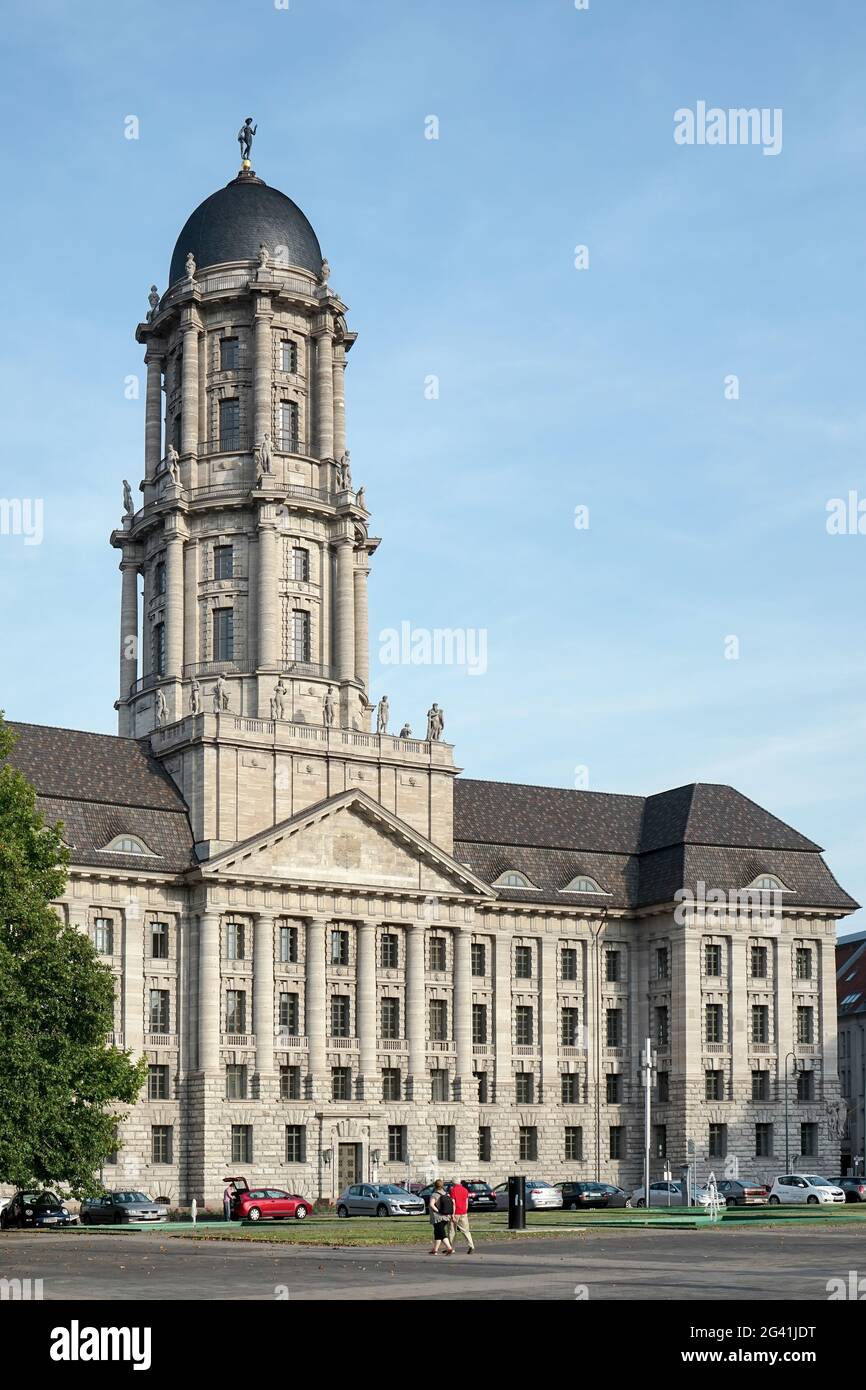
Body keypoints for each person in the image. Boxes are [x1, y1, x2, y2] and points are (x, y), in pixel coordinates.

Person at [427, 1179, 454, 1256]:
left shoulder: (434, 1194)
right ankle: (435, 1250)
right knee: (437, 1233)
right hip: (446, 1216)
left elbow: (431, 1205)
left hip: (437, 1217)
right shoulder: (446, 1194)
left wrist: (438, 1211)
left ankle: (449, 1248)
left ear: (435, 1186)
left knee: (441, 1233)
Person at [448, 1179, 475, 1253]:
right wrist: (465, 1211)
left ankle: (452, 1247)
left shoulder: (452, 1190)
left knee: (452, 1231)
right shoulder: (465, 1190)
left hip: (455, 1212)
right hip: (463, 1212)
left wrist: (452, 1214)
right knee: (466, 1230)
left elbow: (453, 1203)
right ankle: (471, 1245)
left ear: (453, 1183)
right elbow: (466, 1202)